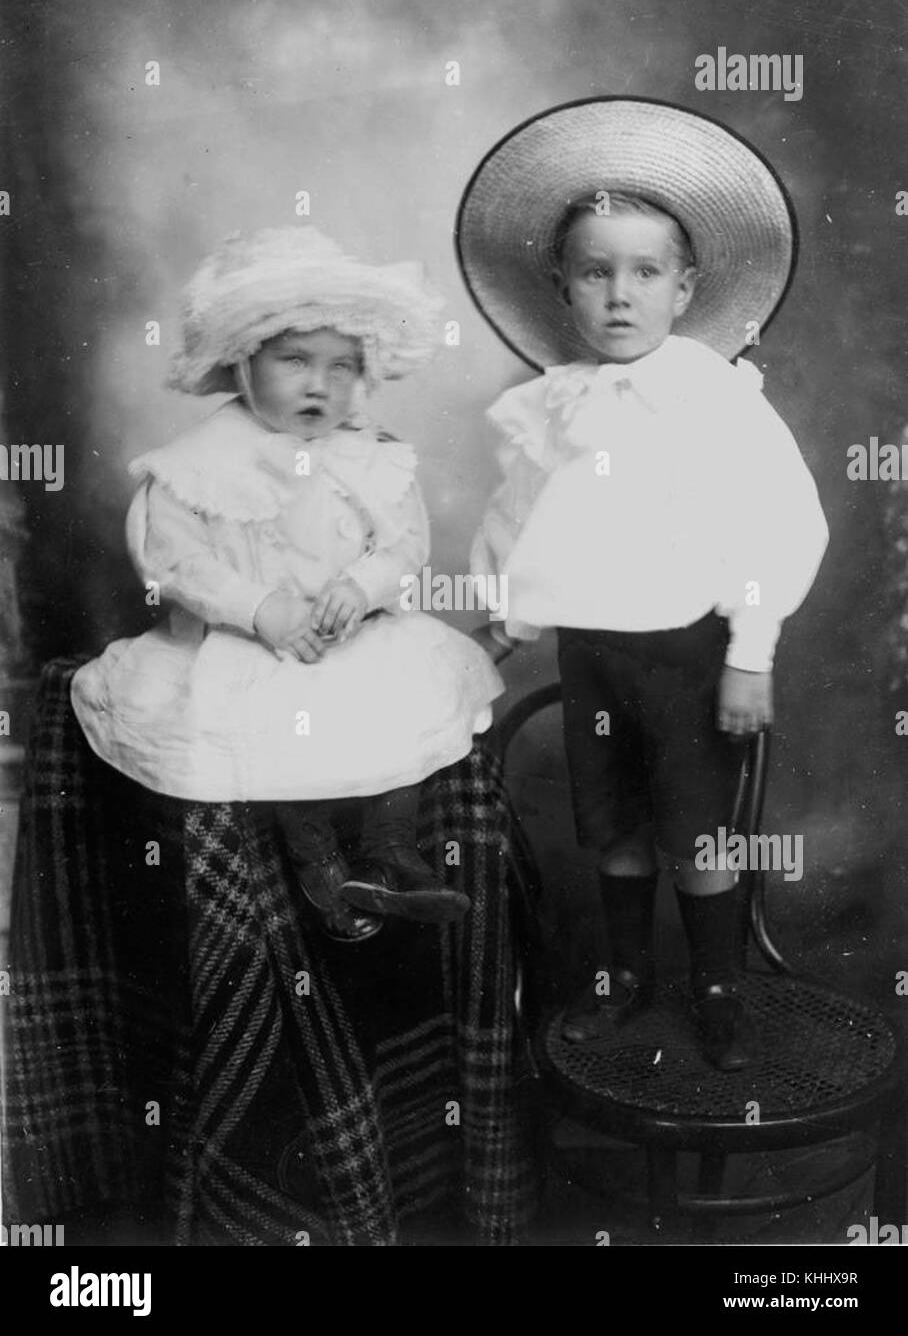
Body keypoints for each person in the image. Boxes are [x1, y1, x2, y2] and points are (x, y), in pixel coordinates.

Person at [459, 99, 828, 1069]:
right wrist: (502, 616)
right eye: (594, 272)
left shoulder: (713, 396)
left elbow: (780, 525)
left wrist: (749, 653)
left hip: (688, 654)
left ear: (683, 285)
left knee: (695, 835)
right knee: (613, 829)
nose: (619, 295)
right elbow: (519, 519)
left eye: (644, 272)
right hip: (592, 653)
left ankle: (715, 989)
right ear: (561, 287)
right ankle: (624, 980)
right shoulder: (553, 404)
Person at [71, 226, 504, 943]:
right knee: (276, 731)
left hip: (353, 635)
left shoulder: (371, 456)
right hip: (254, 644)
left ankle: (391, 854)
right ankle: (324, 872)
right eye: (295, 361)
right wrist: (261, 607)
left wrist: (363, 585)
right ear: (244, 364)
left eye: (341, 368)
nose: (319, 385)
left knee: (404, 692)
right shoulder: (201, 462)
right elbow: (174, 560)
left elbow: (404, 545)